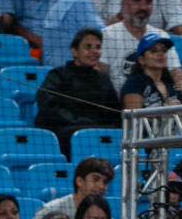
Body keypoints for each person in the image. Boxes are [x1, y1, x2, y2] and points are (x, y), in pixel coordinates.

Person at [35, 28, 123, 157]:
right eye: (88, 46)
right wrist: (80, 122)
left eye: (97, 47)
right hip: (66, 130)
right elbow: (49, 107)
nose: (94, 51)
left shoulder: (103, 79)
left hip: (98, 131)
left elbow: (114, 112)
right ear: (74, 51)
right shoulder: (58, 75)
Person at [103, 0, 182, 91]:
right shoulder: (107, 35)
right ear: (123, 4)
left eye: (148, 2)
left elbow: (177, 76)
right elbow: (100, 81)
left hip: (155, 102)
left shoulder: (161, 35)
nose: (143, 7)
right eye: (137, 1)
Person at [41, 0, 104, 66]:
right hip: (73, 75)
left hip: (52, 74)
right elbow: (100, 36)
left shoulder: (56, 3)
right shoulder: (81, 3)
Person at [29, 157, 116, 219]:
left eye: (105, 182)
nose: (101, 186)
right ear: (80, 181)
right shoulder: (49, 211)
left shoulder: (103, 215)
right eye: (95, 179)